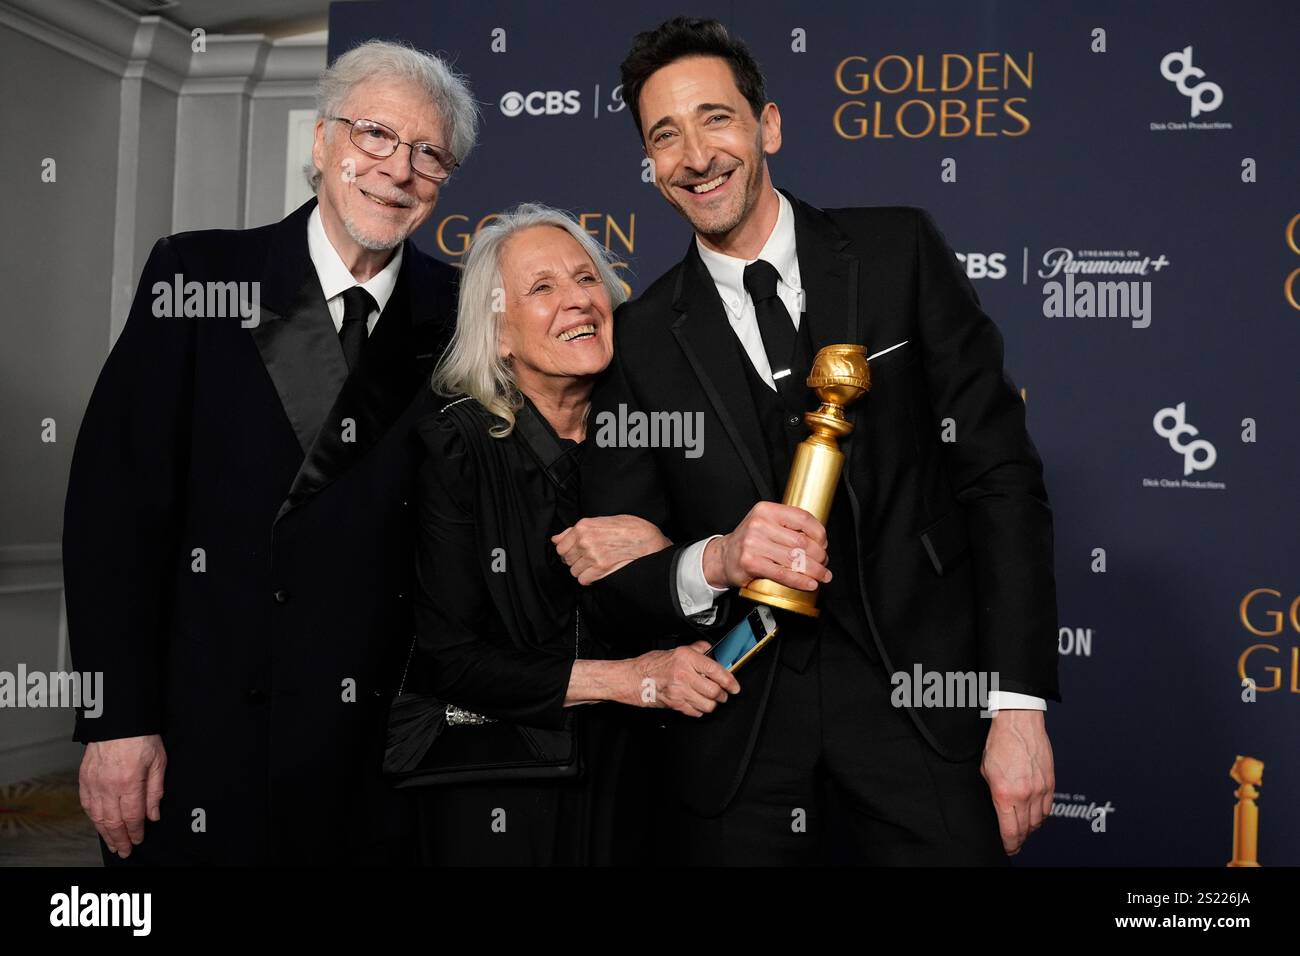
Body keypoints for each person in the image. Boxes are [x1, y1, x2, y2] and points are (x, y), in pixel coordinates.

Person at [576, 17, 1060, 865]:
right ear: (649, 166)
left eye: (715, 119)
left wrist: (1018, 706)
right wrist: (718, 558)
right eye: (665, 135)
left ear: (767, 126)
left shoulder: (897, 252)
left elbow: (1000, 480)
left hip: (924, 723)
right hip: (738, 754)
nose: (695, 155)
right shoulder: (640, 337)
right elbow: (621, 580)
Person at [63, 39, 477, 865]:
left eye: (429, 154)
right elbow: (115, 510)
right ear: (321, 143)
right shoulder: (200, 272)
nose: (398, 169)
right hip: (205, 736)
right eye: (374, 136)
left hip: (382, 755)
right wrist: (117, 721)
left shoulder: (462, 309)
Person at [403, 203, 738, 865]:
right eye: (542, 288)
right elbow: (448, 659)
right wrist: (631, 679)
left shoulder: (669, 434)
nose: (576, 301)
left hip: (653, 783)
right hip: (503, 791)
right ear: (497, 333)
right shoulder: (456, 447)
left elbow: (733, 594)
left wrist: (662, 551)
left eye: (587, 279)